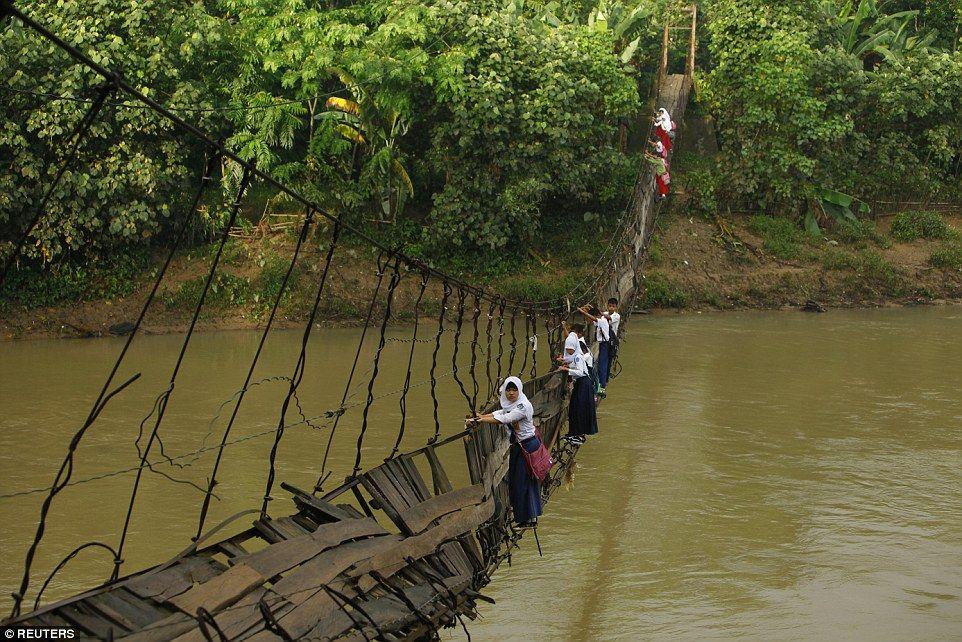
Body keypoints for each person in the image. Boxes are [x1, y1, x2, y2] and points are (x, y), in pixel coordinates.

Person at [467, 377, 542, 527]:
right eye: (508, 390)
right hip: (519, 447)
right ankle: (524, 517)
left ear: (520, 390)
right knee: (517, 482)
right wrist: (481, 417)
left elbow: (506, 418)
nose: (511, 393)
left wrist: (483, 420)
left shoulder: (523, 406)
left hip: (527, 446)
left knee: (523, 482)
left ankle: (529, 518)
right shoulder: (511, 405)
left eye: (514, 390)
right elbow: (501, 412)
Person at [559, 326, 597, 444]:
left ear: (575, 346)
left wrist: (566, 370)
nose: (569, 350)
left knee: (579, 409)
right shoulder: (575, 356)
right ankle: (575, 434)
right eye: (567, 348)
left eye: (571, 348)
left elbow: (580, 372)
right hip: (582, 384)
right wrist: (564, 362)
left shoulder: (579, 357)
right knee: (575, 409)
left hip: (584, 384)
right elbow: (569, 359)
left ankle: (577, 435)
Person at [578, 304, 611, 397]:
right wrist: (588, 310)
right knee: (601, 364)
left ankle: (602, 385)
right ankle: (601, 383)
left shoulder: (602, 320)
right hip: (603, 344)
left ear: (597, 315)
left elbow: (594, 319)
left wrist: (584, 312)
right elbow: (593, 319)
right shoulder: (601, 320)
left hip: (604, 344)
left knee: (602, 365)